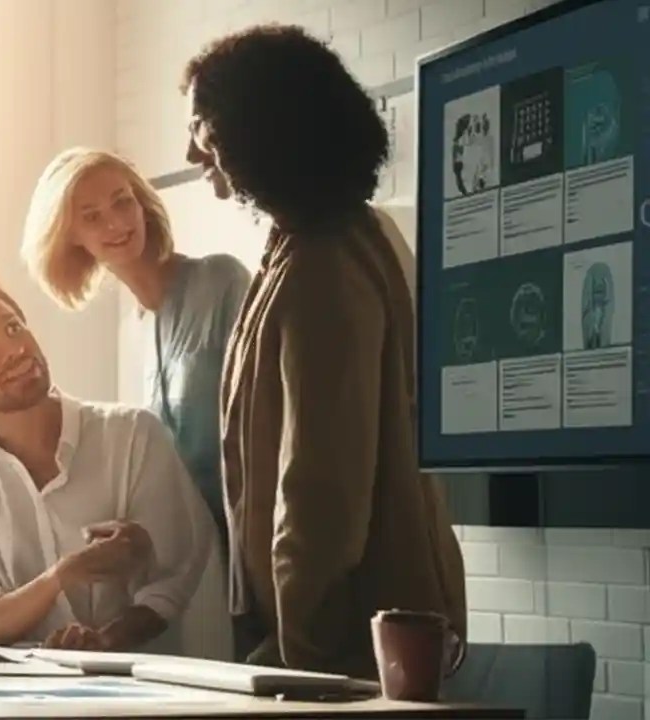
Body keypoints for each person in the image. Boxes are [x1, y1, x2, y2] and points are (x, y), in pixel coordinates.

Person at [179, 25, 468, 679]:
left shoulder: (323, 264)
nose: (192, 153)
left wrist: (298, 654)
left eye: (201, 127)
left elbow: (320, 491)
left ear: (258, 127)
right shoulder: (332, 239)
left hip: (340, 655)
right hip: (356, 643)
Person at [0, 265, 215, 652]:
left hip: (141, 697)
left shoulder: (134, 434)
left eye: (13, 328)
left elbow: (172, 586)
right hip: (22, 702)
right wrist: (63, 575)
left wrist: (102, 642)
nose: (14, 349)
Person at [22, 147, 250, 541]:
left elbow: (263, 424)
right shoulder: (136, 330)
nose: (116, 223)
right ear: (71, 237)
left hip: (252, 538)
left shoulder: (220, 281)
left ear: (142, 204)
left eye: (122, 202)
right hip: (195, 558)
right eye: (92, 217)